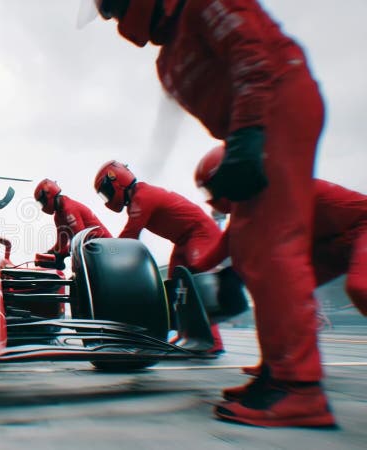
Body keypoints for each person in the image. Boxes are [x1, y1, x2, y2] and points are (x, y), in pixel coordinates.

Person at [84, 0, 330, 427]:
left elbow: (253, 52)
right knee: (253, 251)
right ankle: (279, 373)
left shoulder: (202, 4)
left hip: (274, 110)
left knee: (268, 250)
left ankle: (299, 389)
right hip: (253, 126)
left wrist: (250, 134)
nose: (116, 17)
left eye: (116, 7)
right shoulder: (171, 49)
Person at [193, 145, 367, 320]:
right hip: (335, 247)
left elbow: (261, 250)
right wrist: (187, 273)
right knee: (282, 291)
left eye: (212, 191)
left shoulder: (284, 193)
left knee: (360, 288)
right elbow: (222, 250)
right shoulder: (246, 208)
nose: (210, 200)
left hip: (361, 230)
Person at [94, 160, 225, 353]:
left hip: (199, 233)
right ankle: (187, 333)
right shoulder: (137, 200)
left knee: (193, 285)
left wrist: (105, 254)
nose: (108, 197)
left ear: (116, 182)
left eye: (107, 191)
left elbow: (129, 237)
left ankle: (213, 341)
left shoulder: (142, 197)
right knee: (176, 288)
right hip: (182, 240)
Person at [34, 179, 112, 270]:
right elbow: (61, 243)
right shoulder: (58, 216)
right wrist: (49, 254)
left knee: (78, 278)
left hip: (104, 248)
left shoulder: (70, 209)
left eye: (42, 201)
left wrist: (75, 270)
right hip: (92, 248)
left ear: (48, 195)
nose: (43, 205)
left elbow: (79, 241)